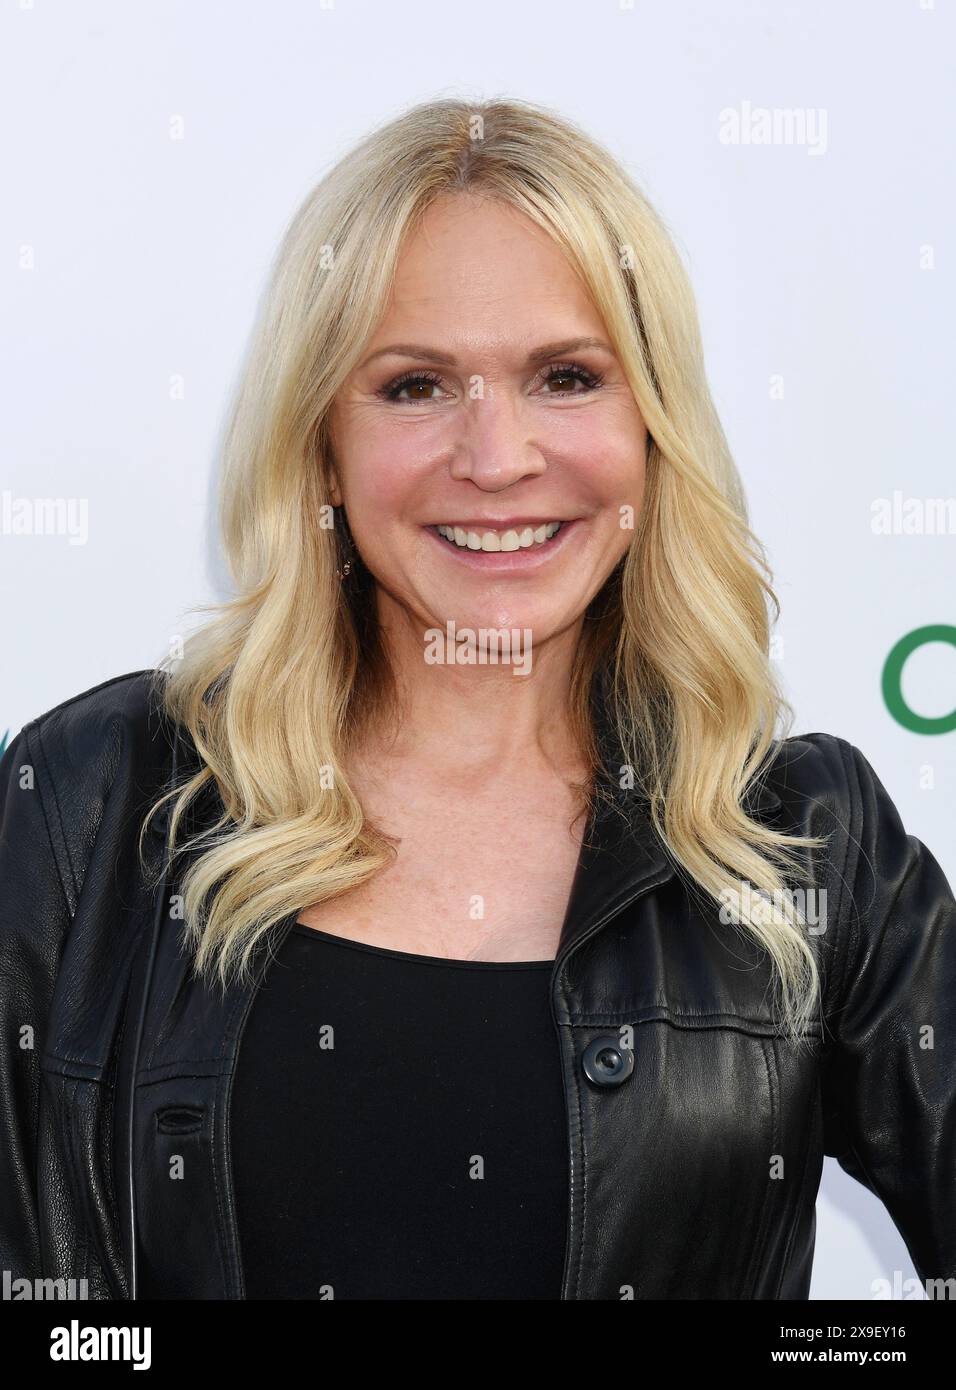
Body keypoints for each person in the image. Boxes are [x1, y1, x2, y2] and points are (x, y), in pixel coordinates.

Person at [1, 96, 954, 1302]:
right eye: (413, 386)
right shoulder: (94, 799)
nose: (496, 456)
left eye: (564, 376)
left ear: (652, 427)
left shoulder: (808, 844)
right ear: (321, 446)